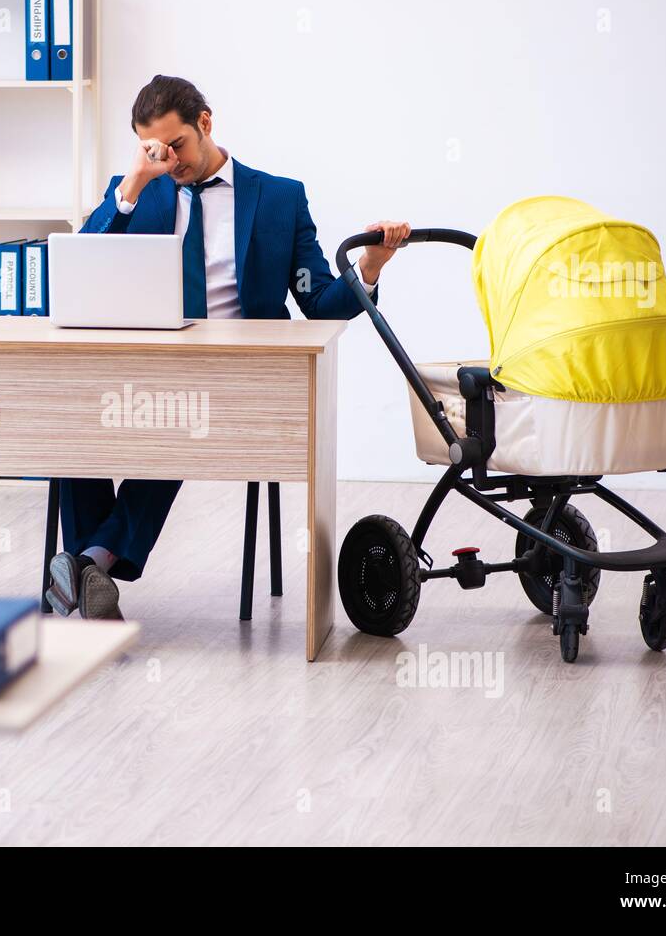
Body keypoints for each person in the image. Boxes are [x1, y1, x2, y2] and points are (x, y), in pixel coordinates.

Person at [44, 74, 409, 620]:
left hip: (237, 379)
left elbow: (320, 304)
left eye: (178, 144)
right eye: (155, 149)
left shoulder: (279, 198)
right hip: (148, 368)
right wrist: (132, 187)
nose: (172, 159)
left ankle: (82, 560)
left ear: (205, 123)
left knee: (177, 419)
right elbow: (82, 269)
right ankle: (92, 566)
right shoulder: (138, 191)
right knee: (71, 422)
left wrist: (370, 267)